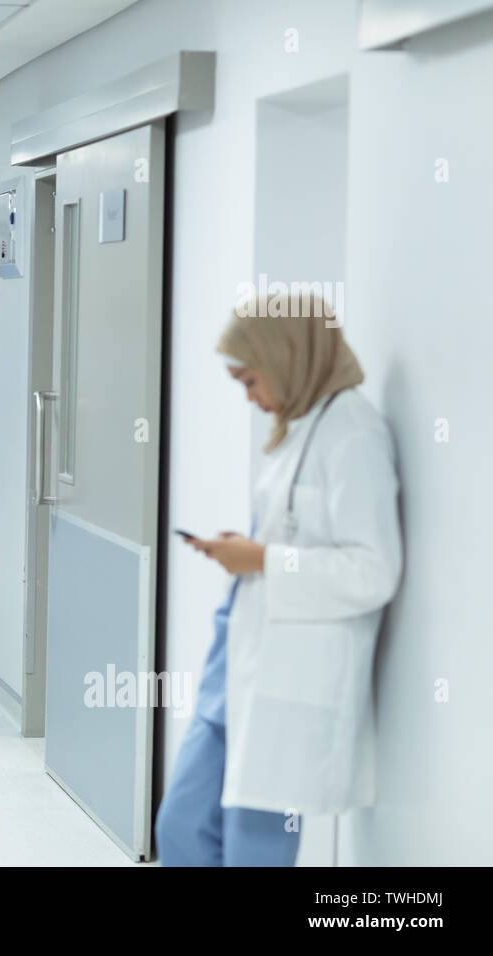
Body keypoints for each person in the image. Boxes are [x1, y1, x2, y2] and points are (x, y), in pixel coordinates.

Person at [155, 292, 403, 866]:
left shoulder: (353, 435)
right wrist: (245, 554)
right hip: (237, 659)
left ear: (288, 355)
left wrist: (263, 560)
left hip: (288, 682)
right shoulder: (301, 427)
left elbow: (374, 571)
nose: (250, 397)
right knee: (182, 827)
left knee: (253, 851)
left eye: (250, 380)